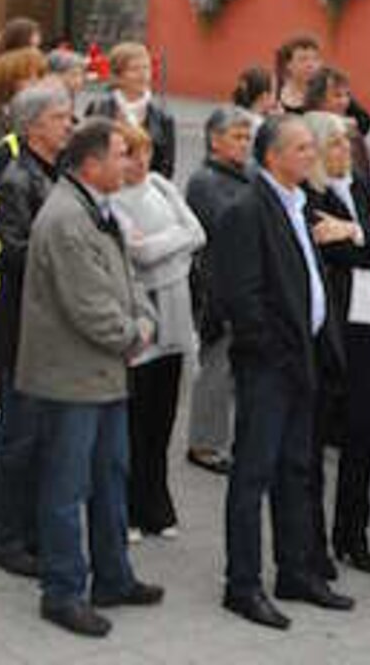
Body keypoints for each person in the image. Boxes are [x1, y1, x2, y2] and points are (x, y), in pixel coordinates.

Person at [19, 117, 165, 637]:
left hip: (104, 374)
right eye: (122, 153)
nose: (132, 163)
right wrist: (134, 335)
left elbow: (127, 282)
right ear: (91, 163)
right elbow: (88, 306)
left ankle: (113, 576)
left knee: (110, 476)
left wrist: (144, 319)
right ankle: (62, 590)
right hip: (71, 376)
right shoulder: (65, 219)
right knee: (67, 484)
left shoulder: (99, 209)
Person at [211, 113, 355, 629]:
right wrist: (273, 352)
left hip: (304, 360)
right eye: (300, 148)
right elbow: (242, 299)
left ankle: (295, 571)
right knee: (254, 474)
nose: (311, 154)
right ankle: (242, 584)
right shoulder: (247, 210)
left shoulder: (300, 204)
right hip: (271, 366)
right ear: (271, 156)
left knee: (297, 470)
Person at [0, 81, 75, 578]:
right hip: (22, 321)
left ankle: (31, 527)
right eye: (61, 117)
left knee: (41, 432)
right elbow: (12, 248)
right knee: (19, 431)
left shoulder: (54, 172)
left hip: (47, 321)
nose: (70, 125)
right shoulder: (19, 179)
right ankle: (3, 535)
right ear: (34, 125)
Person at [302, 110, 370, 577]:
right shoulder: (311, 194)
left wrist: (357, 230)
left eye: (347, 142)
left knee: (364, 433)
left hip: (368, 323)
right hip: (333, 330)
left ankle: (353, 535)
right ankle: (315, 542)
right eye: (336, 143)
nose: (345, 150)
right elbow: (333, 248)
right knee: (321, 438)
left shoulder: (359, 185)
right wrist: (363, 235)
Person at [112, 118, 206, 540]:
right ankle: (128, 507)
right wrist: (174, 243)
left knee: (163, 417)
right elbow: (139, 254)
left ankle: (157, 504)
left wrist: (167, 243)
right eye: (132, 153)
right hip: (143, 308)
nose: (141, 161)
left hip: (176, 309)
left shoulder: (163, 187)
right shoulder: (113, 201)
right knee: (136, 416)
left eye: (146, 151)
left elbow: (197, 231)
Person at [183, 107, 256, 476]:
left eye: (247, 137)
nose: (245, 144)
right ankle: (204, 443)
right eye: (237, 137)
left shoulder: (247, 176)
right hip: (216, 284)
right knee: (216, 365)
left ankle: (223, 438)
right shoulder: (205, 181)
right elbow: (227, 226)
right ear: (215, 139)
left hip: (243, 283)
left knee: (234, 366)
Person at [94, 41, 177, 179]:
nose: (143, 74)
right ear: (117, 76)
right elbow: (89, 157)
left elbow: (166, 168)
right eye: (134, 69)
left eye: (146, 68)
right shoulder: (99, 110)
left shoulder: (163, 117)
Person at [303, 66, 370, 167]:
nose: (344, 101)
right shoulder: (306, 129)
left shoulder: (350, 128)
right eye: (337, 96)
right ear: (318, 99)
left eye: (347, 95)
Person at [274, 35, 324, 114]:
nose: (310, 65)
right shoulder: (275, 92)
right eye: (303, 59)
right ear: (288, 64)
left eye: (315, 59)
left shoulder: (326, 93)